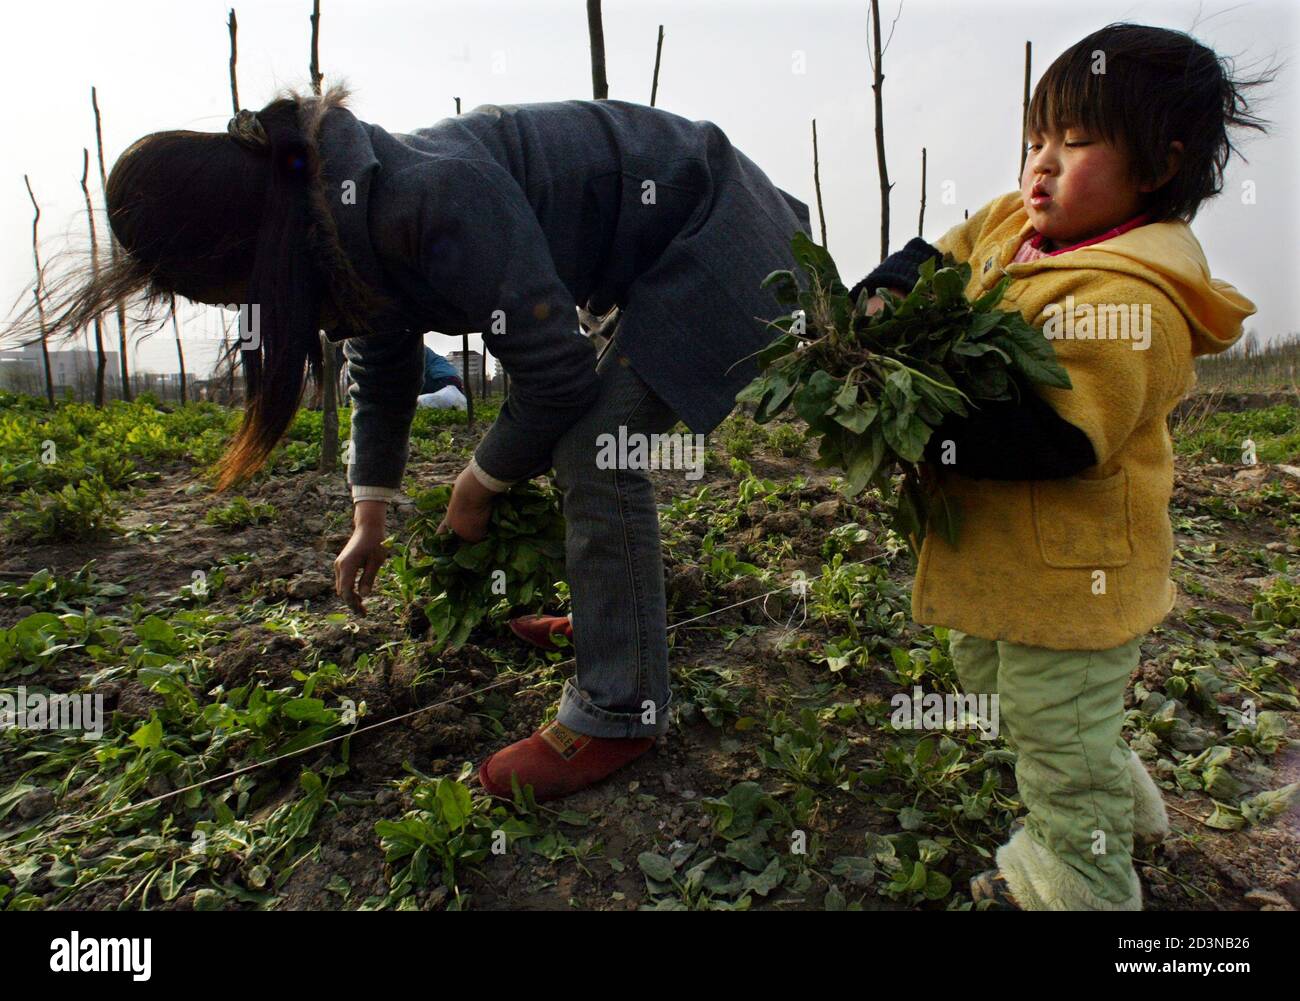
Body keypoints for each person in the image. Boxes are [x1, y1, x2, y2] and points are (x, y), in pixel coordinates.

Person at [40, 87, 810, 804]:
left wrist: (476, 485)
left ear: (247, 241)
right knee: (581, 437)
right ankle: (617, 625)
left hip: (725, 231)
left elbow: (558, 375)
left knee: (595, 445)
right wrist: (368, 513)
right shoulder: (342, 214)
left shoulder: (427, 197)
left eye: (239, 288)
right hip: (672, 247)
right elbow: (379, 357)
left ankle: (620, 710)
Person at [849, 22, 1266, 910]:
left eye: (1074, 146)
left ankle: (1080, 879)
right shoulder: (1015, 223)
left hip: (1078, 577)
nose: (1039, 165)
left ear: (1156, 169)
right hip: (1009, 562)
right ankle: (1110, 784)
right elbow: (939, 257)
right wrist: (882, 297)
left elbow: (1060, 435)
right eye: (1036, 139)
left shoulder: (1132, 299)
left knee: (1053, 731)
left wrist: (921, 410)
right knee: (994, 679)